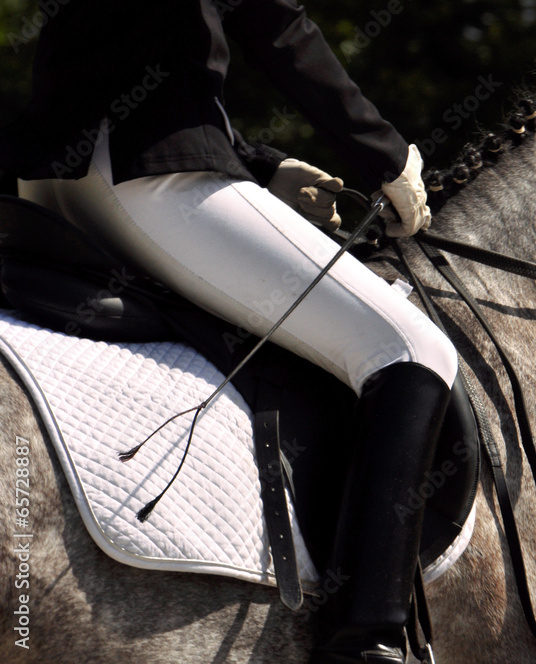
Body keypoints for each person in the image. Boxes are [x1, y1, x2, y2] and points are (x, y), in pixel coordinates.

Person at [0, 2, 457, 663]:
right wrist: (382, 153)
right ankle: (370, 639)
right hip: (150, 174)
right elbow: (272, 18)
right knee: (412, 351)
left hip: (63, 181)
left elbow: (125, 48)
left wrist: (260, 164)